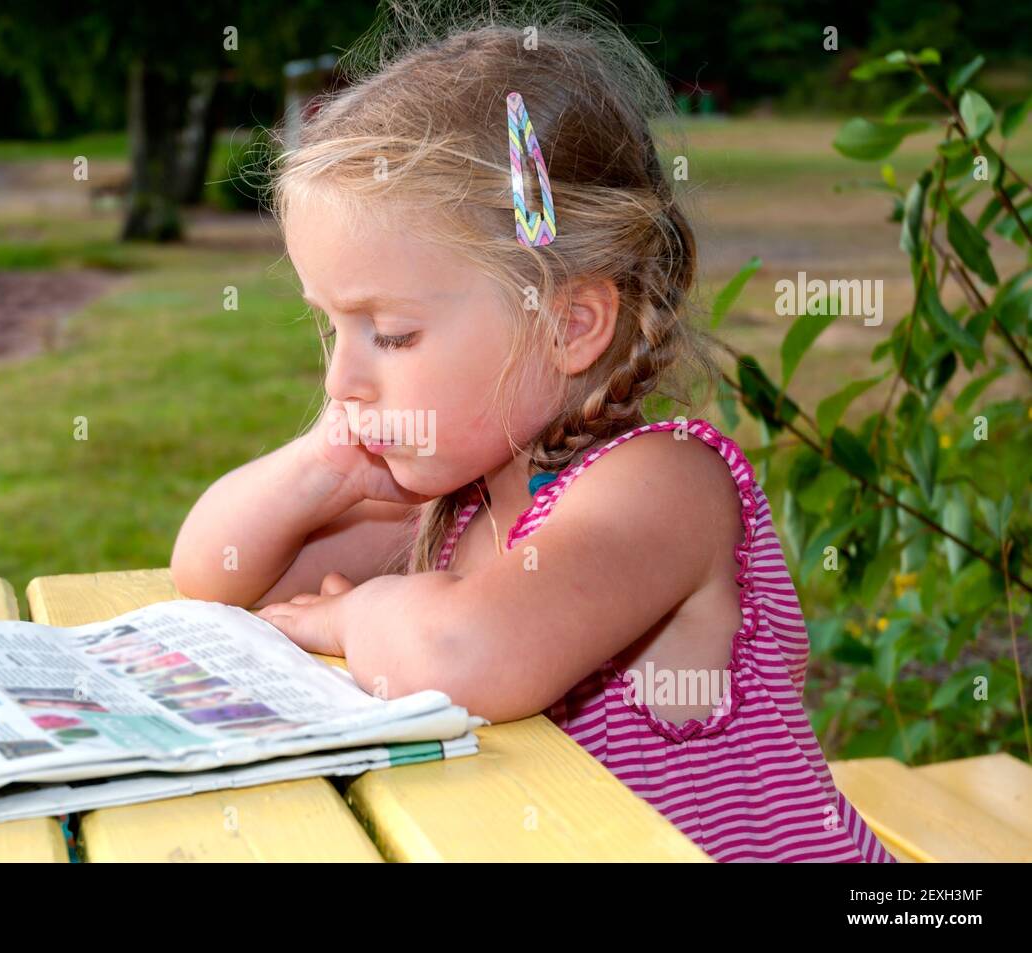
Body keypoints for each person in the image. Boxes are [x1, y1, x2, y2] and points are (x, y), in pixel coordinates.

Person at [171, 10, 894, 863]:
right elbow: (216, 576)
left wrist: (354, 612)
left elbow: (464, 650)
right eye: (332, 329)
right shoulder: (455, 499)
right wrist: (319, 469)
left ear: (570, 323)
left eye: (392, 335)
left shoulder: (662, 486)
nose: (340, 379)